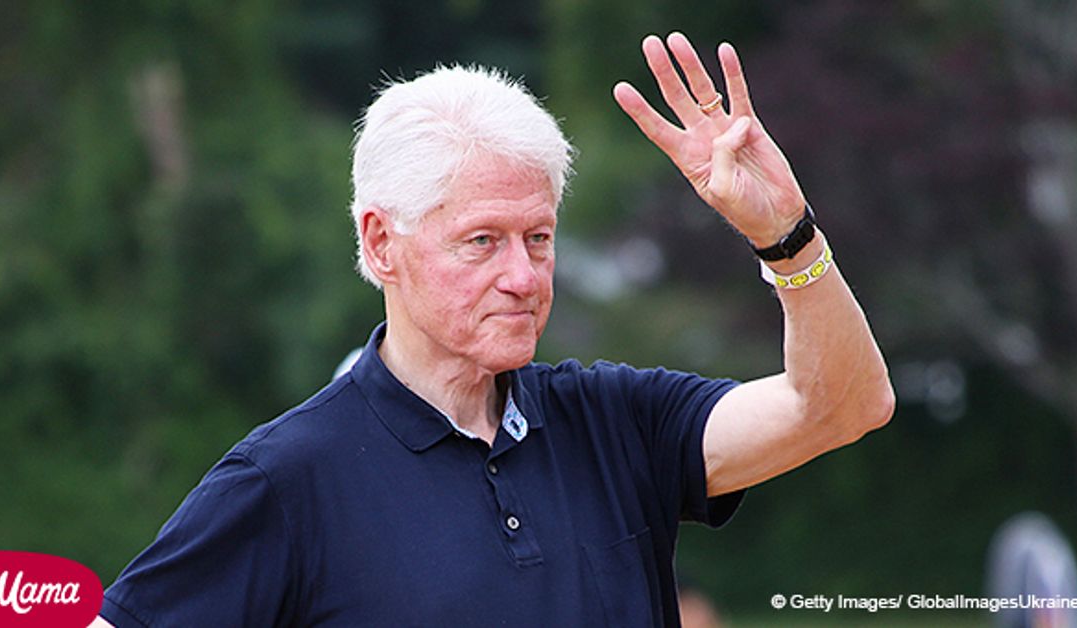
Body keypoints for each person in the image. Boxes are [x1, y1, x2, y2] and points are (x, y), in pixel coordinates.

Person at [93, 32, 893, 627]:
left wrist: (787, 238)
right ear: (381, 243)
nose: (522, 275)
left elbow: (843, 406)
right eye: (481, 241)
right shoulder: (286, 480)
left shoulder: (616, 423)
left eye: (538, 238)